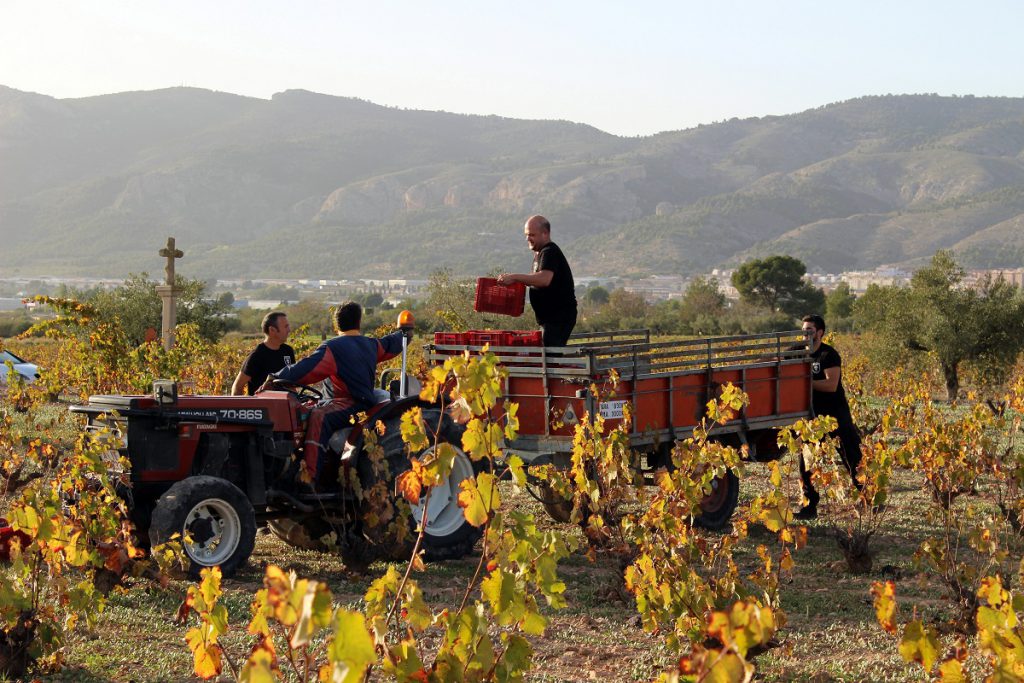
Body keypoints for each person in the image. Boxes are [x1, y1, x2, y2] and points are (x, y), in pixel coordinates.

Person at [264, 302, 407, 485]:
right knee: (304, 409)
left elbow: (306, 369)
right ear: (359, 322)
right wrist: (404, 333)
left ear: (336, 325)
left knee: (319, 417)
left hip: (351, 403)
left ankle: (309, 479)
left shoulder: (334, 347)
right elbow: (391, 343)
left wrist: (275, 378)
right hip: (357, 403)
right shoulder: (371, 344)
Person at [796, 314, 863, 519]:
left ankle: (867, 496)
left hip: (835, 416)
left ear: (820, 333)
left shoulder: (828, 355)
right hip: (813, 419)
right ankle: (809, 506)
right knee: (806, 463)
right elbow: (776, 359)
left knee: (852, 458)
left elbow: (831, 385)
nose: (806, 334)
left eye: (810, 330)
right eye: (804, 330)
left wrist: (805, 383)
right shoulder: (798, 353)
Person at [497, 215, 577, 347]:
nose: (527, 239)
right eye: (526, 235)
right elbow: (536, 279)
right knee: (547, 358)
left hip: (558, 318)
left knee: (550, 360)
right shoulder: (540, 254)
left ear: (545, 233)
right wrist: (511, 279)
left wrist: (516, 276)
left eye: (532, 235)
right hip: (549, 319)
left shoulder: (549, 251)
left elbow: (544, 279)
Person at [231, 312, 295, 396]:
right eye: (285, 326)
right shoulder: (257, 355)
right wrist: (240, 407)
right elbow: (238, 386)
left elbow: (292, 384)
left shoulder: (288, 351)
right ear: (272, 330)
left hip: (284, 406)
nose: (289, 330)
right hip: (264, 407)